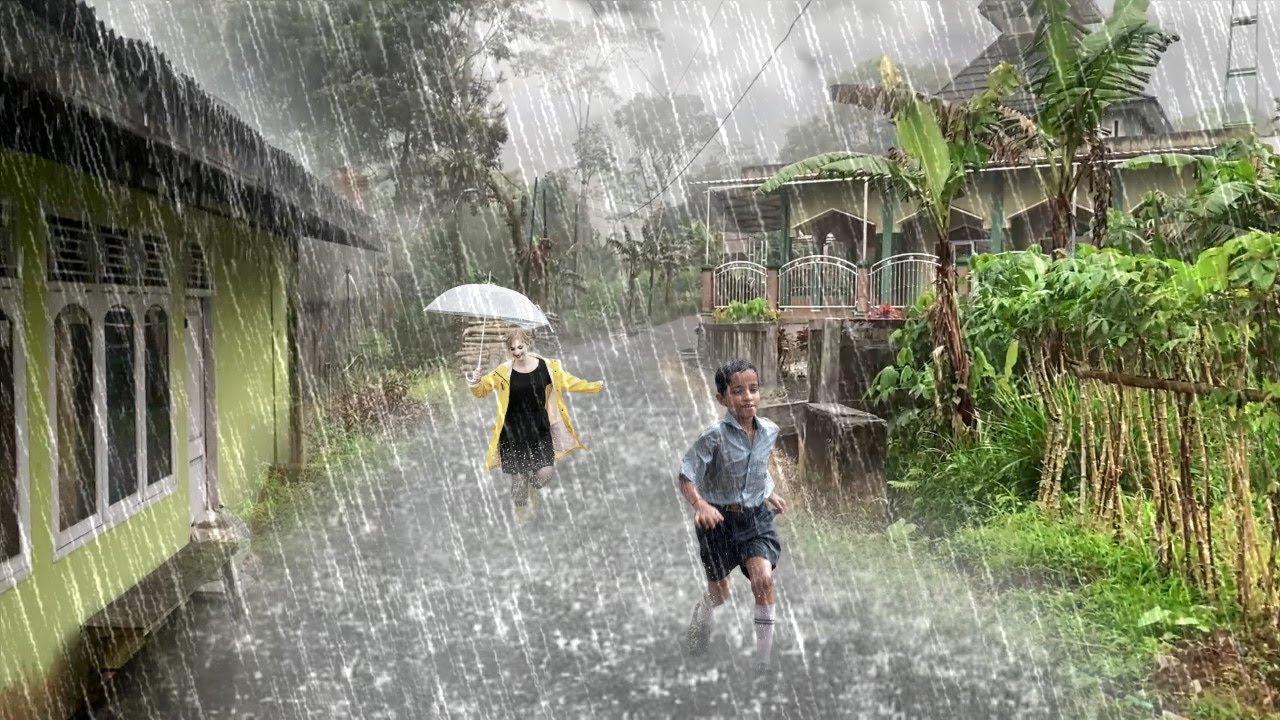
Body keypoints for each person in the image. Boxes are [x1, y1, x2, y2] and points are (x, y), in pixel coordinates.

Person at [678, 358, 787, 672]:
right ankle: (702, 615)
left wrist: (769, 492)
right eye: (738, 391)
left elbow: (756, 468)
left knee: (763, 579)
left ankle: (762, 661)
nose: (748, 397)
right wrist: (700, 505)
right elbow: (686, 475)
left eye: (753, 389)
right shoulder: (714, 436)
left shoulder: (769, 431)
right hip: (718, 523)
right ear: (722, 398)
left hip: (754, 519)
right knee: (720, 592)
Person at [466, 327, 603, 510]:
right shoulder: (503, 372)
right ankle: (521, 518)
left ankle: (532, 487)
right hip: (513, 433)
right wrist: (476, 382)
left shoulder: (547, 367)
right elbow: (481, 391)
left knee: (545, 473)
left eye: (520, 347)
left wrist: (594, 386)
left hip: (539, 429)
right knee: (519, 485)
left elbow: (569, 381)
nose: (517, 352)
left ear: (527, 344)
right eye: (512, 349)